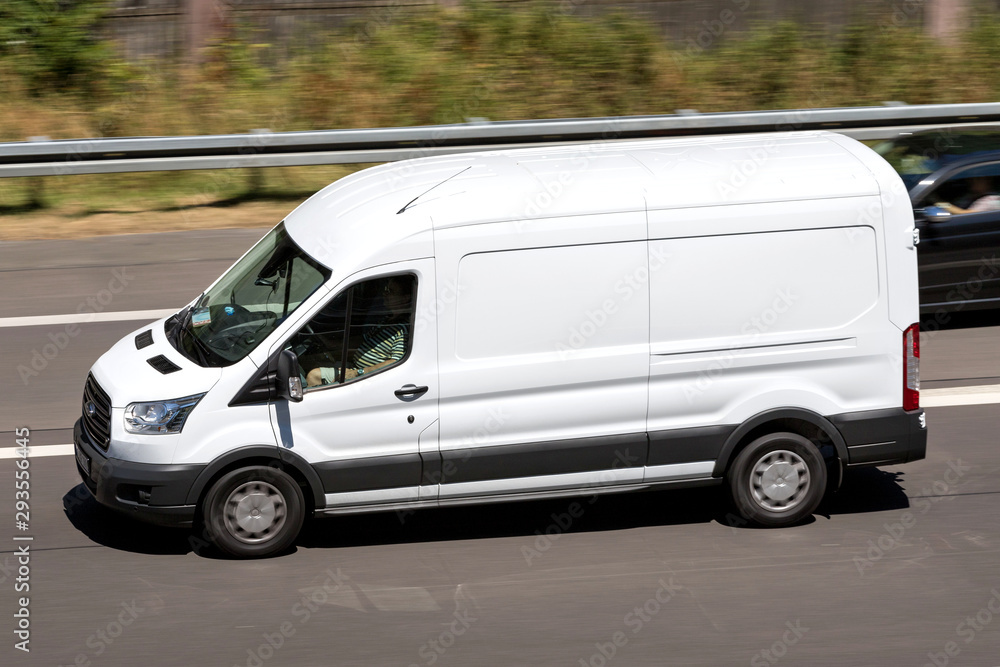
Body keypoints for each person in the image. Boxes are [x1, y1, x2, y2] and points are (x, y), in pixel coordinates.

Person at [305, 276, 412, 388]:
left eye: (390, 291)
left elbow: (394, 362)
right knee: (310, 362)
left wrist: (357, 373)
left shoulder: (402, 329)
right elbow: (363, 340)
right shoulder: (386, 320)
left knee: (314, 376)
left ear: (405, 298)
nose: (385, 293)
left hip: (367, 378)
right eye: (385, 289)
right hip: (355, 367)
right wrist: (333, 344)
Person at [935, 175, 1000, 215]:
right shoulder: (970, 196)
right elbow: (956, 206)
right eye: (971, 179)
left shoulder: (991, 199)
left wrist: (939, 203)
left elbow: (964, 214)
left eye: (977, 179)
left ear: (987, 181)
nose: (971, 182)